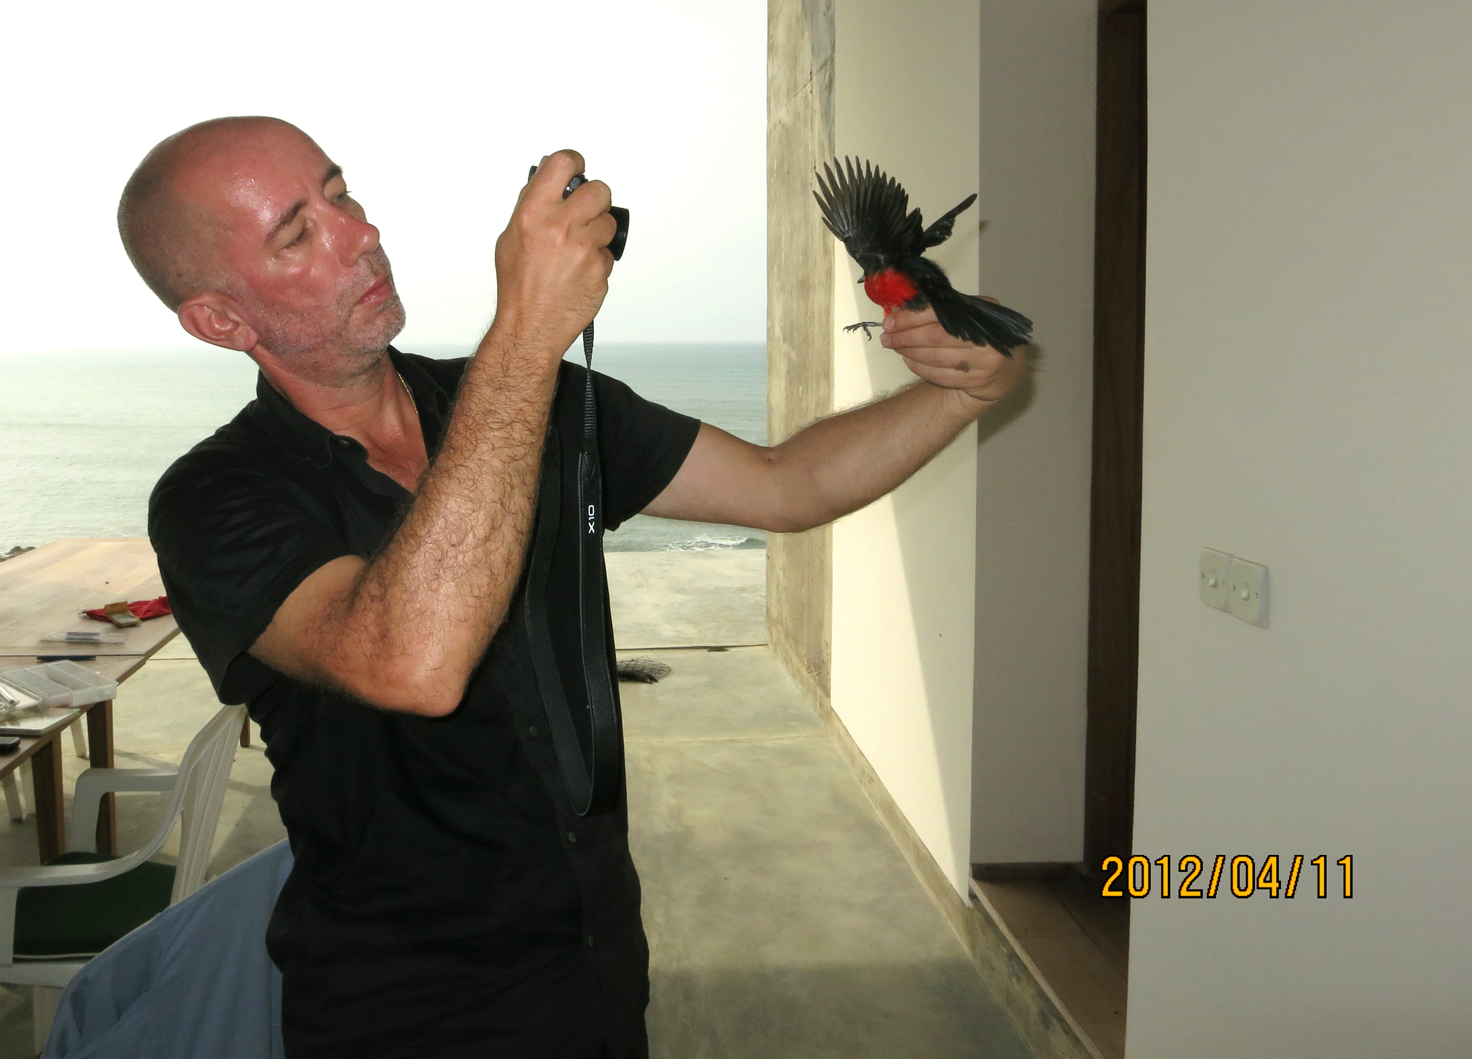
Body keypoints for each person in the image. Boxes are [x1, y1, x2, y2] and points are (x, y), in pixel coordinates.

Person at [119, 116, 1024, 1058]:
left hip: (597, 968)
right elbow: (413, 662)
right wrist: (527, 333)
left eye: (340, 195)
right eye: (298, 233)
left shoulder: (544, 403)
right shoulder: (214, 498)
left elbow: (786, 483)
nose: (361, 234)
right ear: (221, 320)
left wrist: (960, 391)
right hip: (402, 1008)